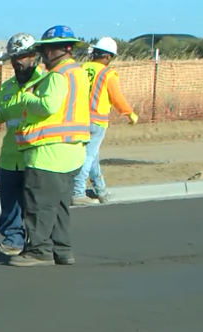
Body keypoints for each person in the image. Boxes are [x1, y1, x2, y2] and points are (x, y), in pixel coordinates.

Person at [6, 24, 90, 267]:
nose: (43, 55)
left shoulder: (57, 76)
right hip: (72, 151)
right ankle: (62, 250)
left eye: (46, 50)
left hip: (48, 152)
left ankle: (39, 250)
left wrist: (26, 95)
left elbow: (47, 106)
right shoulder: (78, 73)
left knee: (39, 205)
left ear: (60, 50)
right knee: (61, 207)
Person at [0, 32, 48, 257]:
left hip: (35, 155)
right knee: (10, 202)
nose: (17, 62)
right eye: (14, 57)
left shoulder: (45, 83)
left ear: (34, 56)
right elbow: (0, 114)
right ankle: (13, 240)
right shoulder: (8, 86)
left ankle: (37, 244)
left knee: (34, 204)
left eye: (22, 56)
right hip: (10, 156)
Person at [73, 36, 139, 205]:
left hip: (77, 119)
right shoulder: (107, 74)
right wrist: (129, 113)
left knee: (92, 156)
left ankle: (101, 191)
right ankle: (77, 192)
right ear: (108, 56)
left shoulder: (81, 68)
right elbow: (117, 97)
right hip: (96, 121)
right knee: (87, 157)